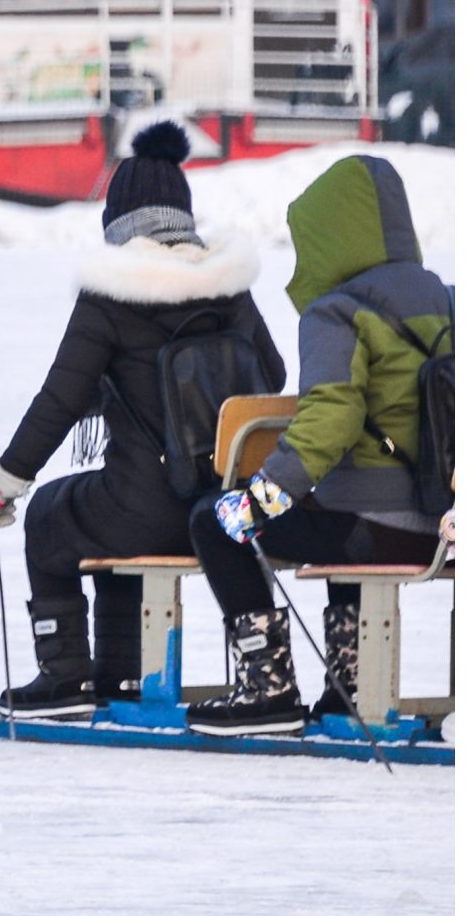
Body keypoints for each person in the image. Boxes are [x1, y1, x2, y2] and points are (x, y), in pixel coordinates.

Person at [0, 121, 283, 715]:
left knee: (53, 516)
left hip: (145, 506)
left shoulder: (111, 294)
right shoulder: (230, 289)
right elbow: (272, 379)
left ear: (117, 221)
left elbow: (59, 400)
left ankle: (65, 677)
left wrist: (2, 487)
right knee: (106, 510)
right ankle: (122, 674)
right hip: (221, 508)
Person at [189, 152, 454, 735]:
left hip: (375, 532)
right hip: (443, 526)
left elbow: (328, 421)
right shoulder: (448, 300)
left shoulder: (339, 312)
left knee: (215, 520)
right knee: (337, 500)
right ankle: (347, 688)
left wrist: (258, 502)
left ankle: (267, 689)